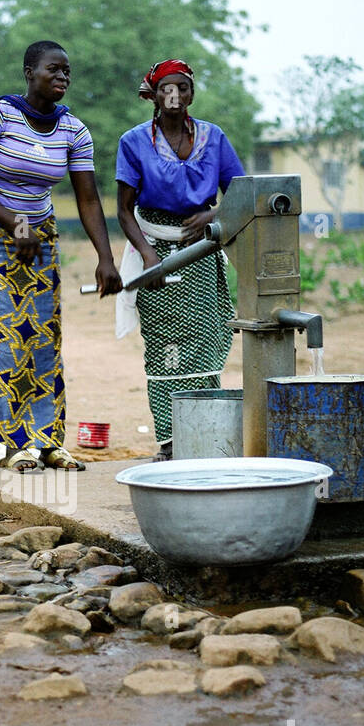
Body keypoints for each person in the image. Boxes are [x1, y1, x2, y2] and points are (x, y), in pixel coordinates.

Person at [0, 40, 122, 472]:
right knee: (4, 331)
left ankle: (45, 439)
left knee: (43, 334)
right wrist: (12, 222)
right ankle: (7, 440)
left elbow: (89, 200)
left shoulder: (73, 130)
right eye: (53, 70)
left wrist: (105, 257)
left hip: (39, 234)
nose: (62, 78)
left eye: (67, 72)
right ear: (29, 72)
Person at [115, 58, 246, 460]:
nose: (174, 95)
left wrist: (212, 215)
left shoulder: (214, 137)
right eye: (166, 88)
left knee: (207, 344)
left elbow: (241, 193)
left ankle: (208, 435)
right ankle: (171, 442)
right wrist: (148, 254)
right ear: (153, 95)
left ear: (191, 93)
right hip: (155, 252)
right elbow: (123, 209)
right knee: (164, 349)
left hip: (202, 253)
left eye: (182, 88)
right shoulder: (134, 141)